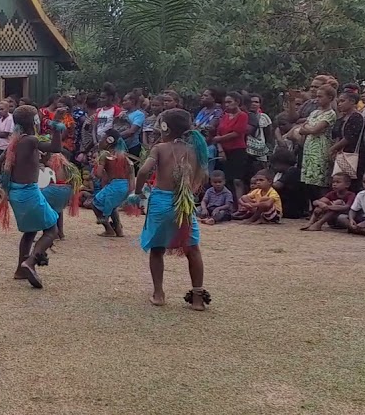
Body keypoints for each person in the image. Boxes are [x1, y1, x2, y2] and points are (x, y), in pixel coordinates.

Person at [135, 108, 209, 309]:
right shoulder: (196, 150)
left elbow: (143, 171)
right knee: (192, 249)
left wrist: (137, 192)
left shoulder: (160, 148)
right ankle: (197, 298)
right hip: (183, 203)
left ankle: (159, 293)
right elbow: (201, 176)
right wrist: (190, 192)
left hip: (160, 202)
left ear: (165, 127)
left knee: (157, 248)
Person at [0, 106, 65, 288]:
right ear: (34, 122)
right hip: (28, 192)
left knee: (30, 231)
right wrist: (57, 124)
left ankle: (20, 270)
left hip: (16, 193)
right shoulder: (31, 140)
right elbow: (56, 147)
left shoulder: (15, 142)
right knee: (52, 231)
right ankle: (30, 263)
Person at [91, 128, 137, 237]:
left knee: (95, 204)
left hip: (116, 186)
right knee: (112, 207)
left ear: (108, 141)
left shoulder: (105, 155)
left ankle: (108, 229)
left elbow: (98, 174)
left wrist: (97, 169)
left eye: (102, 138)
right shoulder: (123, 155)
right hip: (126, 186)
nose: (99, 141)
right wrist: (131, 188)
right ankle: (118, 230)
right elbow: (131, 172)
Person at [294, 85, 337, 198]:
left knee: (320, 179)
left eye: (320, 96)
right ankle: (312, 207)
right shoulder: (314, 113)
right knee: (309, 179)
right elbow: (303, 129)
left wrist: (309, 129)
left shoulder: (330, 114)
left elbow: (315, 129)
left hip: (321, 148)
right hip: (309, 146)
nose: (317, 99)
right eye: (317, 96)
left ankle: (321, 207)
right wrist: (309, 130)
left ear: (330, 98)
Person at [213, 92, 254, 201]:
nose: (226, 105)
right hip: (224, 150)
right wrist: (220, 149)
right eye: (225, 102)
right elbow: (218, 132)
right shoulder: (225, 116)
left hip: (237, 150)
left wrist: (219, 139)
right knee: (227, 179)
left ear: (237, 102)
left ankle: (241, 204)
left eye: (229, 102)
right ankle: (229, 203)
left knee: (237, 179)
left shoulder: (242, 115)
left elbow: (237, 133)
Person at [40, 152, 81, 241]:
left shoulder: (53, 162)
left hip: (54, 190)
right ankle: (60, 233)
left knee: (47, 209)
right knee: (58, 210)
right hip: (67, 191)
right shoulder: (67, 166)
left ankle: (52, 232)